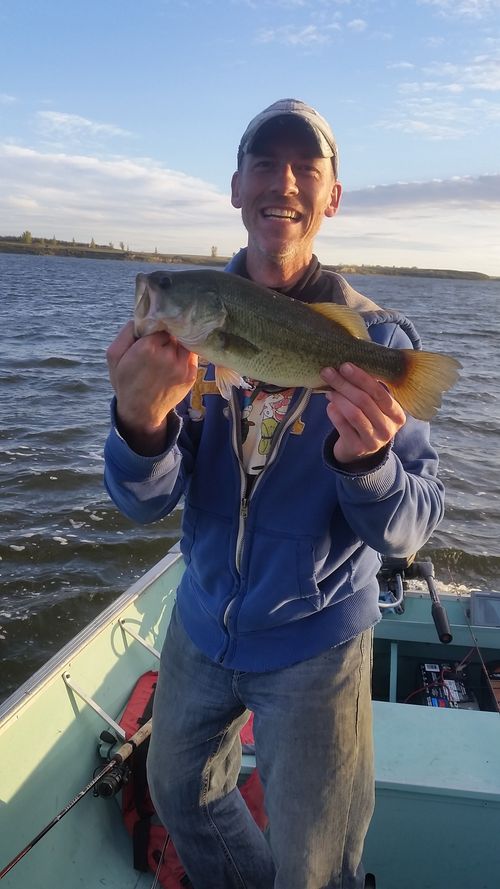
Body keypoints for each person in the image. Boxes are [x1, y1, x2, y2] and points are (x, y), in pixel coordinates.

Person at [104, 99, 446, 889]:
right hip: (201, 621)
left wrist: (369, 466)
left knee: (316, 865)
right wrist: (139, 422)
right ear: (235, 186)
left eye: (305, 167)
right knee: (176, 791)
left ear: (332, 198)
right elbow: (145, 504)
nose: (281, 182)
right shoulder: (180, 333)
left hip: (317, 644)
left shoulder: (380, 342)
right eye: (264, 162)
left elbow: (413, 527)